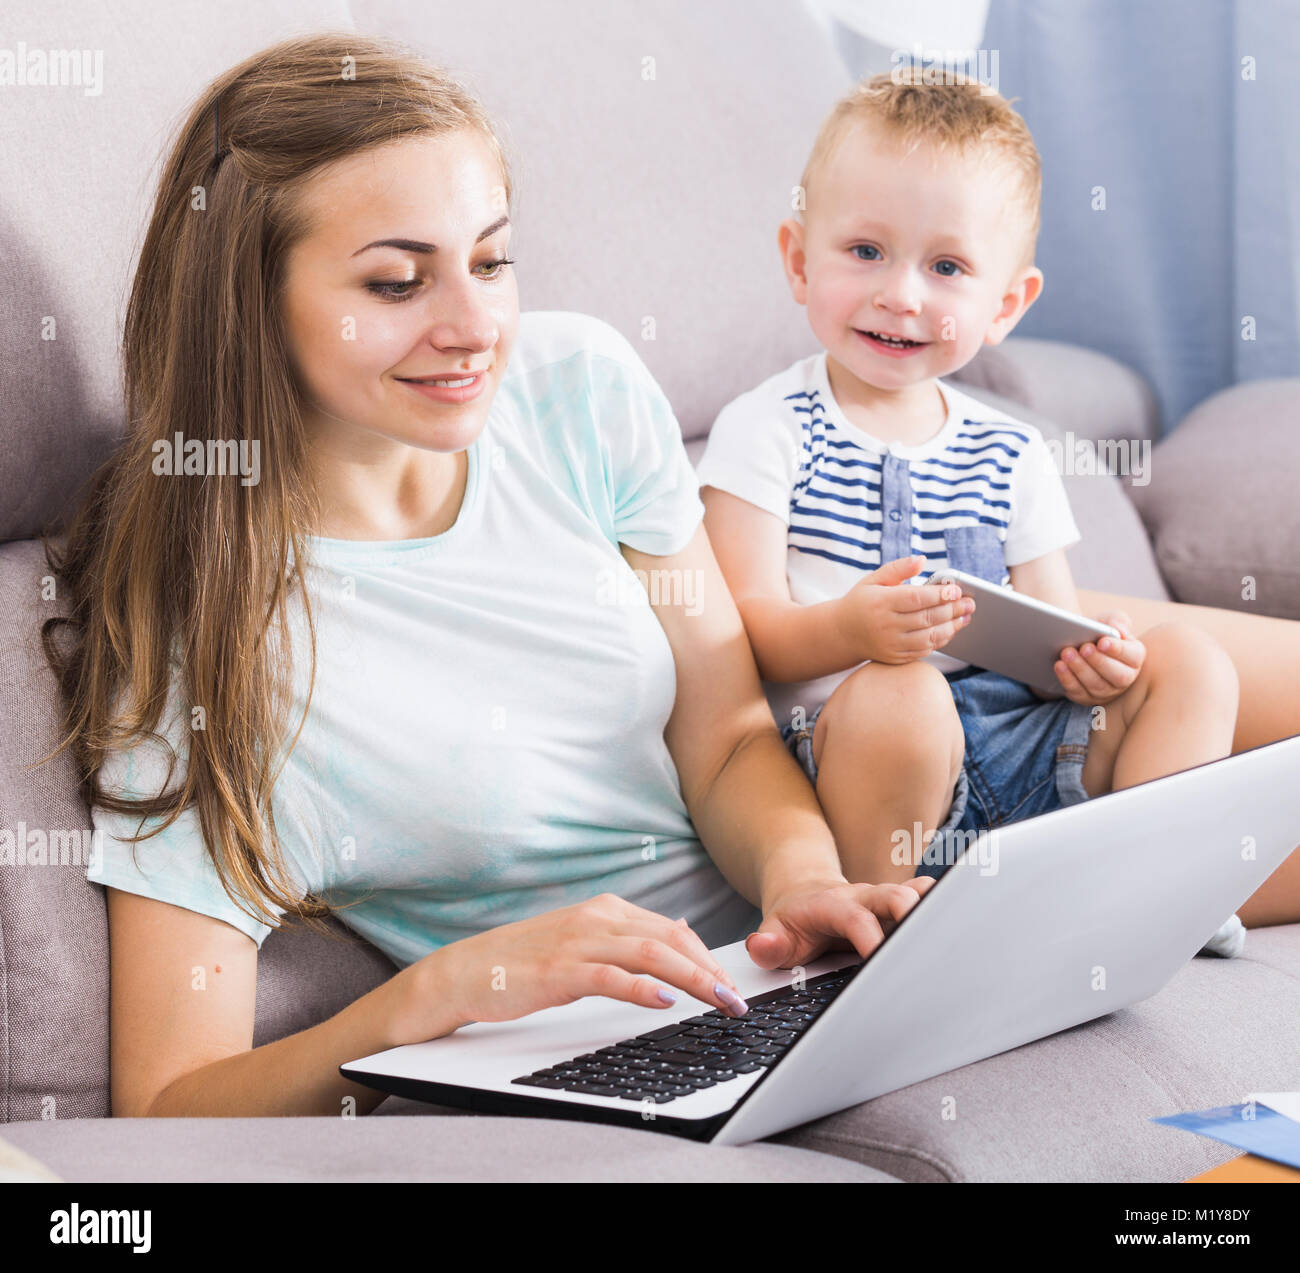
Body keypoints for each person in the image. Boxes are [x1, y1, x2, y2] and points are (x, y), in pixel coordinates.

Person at [39, 34, 933, 1119]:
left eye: (493, 260)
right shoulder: (206, 657)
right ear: (248, 304)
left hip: (786, 979)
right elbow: (169, 1105)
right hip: (603, 1078)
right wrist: (438, 995)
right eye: (397, 281)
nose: (474, 329)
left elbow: (730, 732)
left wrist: (805, 883)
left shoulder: (580, 389)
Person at [697, 73, 1244, 953]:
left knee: (1192, 661)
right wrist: (854, 628)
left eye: (946, 267)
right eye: (865, 252)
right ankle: (888, 919)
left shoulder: (1015, 453)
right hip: (862, 754)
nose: (902, 295)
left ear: (1005, 306)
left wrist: (1088, 660)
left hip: (1017, 748)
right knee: (905, 694)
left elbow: (1049, 640)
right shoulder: (765, 429)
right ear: (800, 260)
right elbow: (745, 634)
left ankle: (1151, 885)